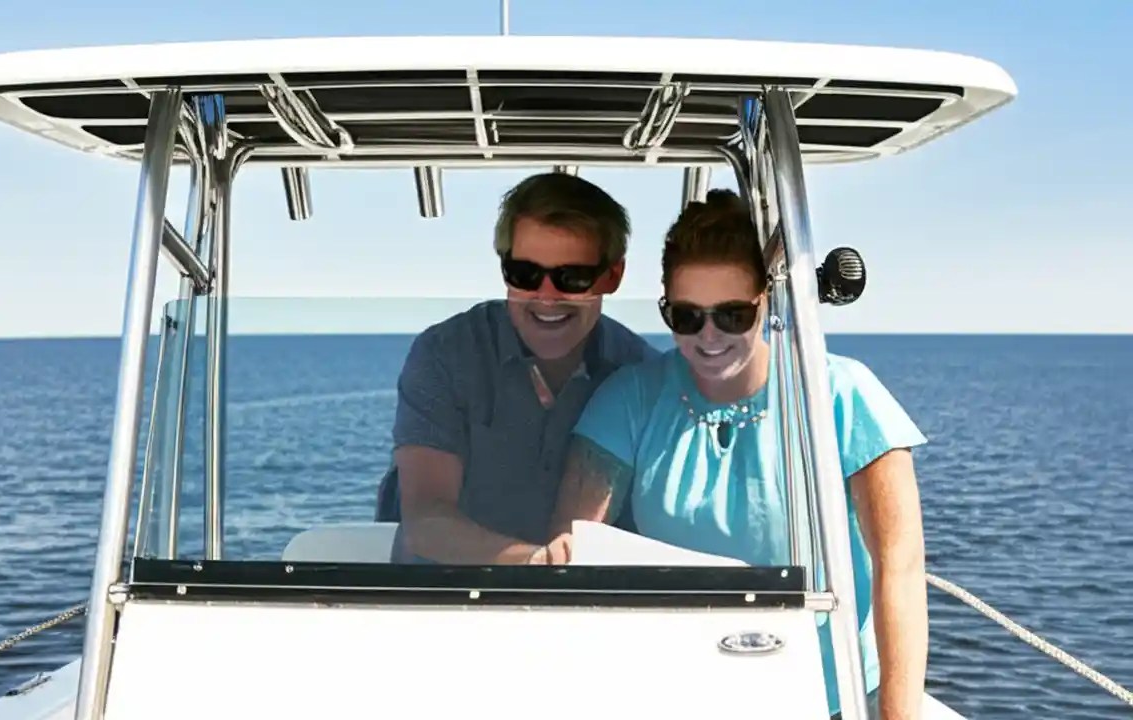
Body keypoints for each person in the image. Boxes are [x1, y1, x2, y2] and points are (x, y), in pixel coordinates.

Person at [549, 189, 929, 719]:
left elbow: (901, 570)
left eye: (731, 315)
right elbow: (569, 553)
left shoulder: (839, 395)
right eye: (686, 316)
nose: (708, 336)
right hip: (679, 693)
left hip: (830, 695)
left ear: (766, 301)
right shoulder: (631, 399)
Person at [375, 171, 659, 564]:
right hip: (436, 606)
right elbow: (426, 521)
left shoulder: (642, 376)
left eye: (571, 277)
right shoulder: (445, 354)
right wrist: (537, 564)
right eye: (524, 274)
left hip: (581, 610)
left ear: (613, 275)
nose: (546, 296)